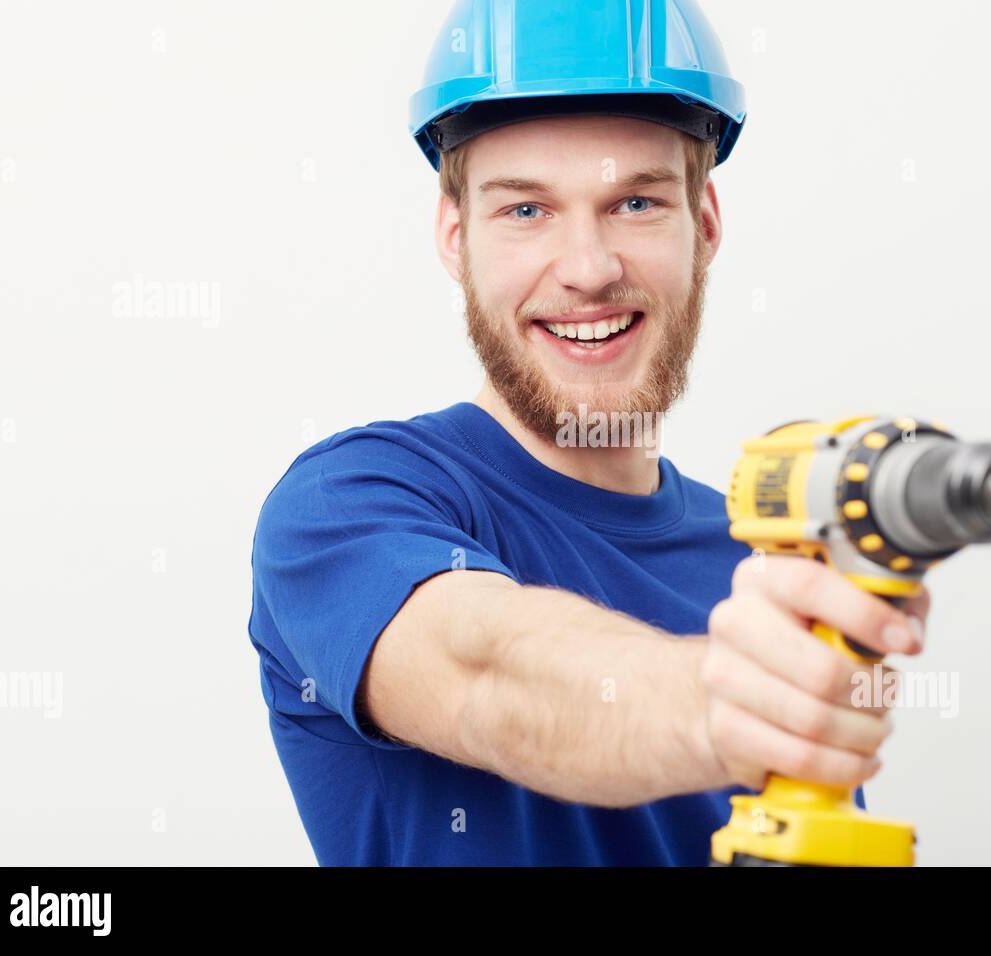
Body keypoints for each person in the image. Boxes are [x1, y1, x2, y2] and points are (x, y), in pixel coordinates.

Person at [248, 0, 928, 866]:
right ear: (456, 240)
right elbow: (483, 673)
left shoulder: (767, 563)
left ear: (704, 226)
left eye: (635, 202)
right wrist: (727, 708)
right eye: (526, 211)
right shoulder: (349, 506)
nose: (588, 268)